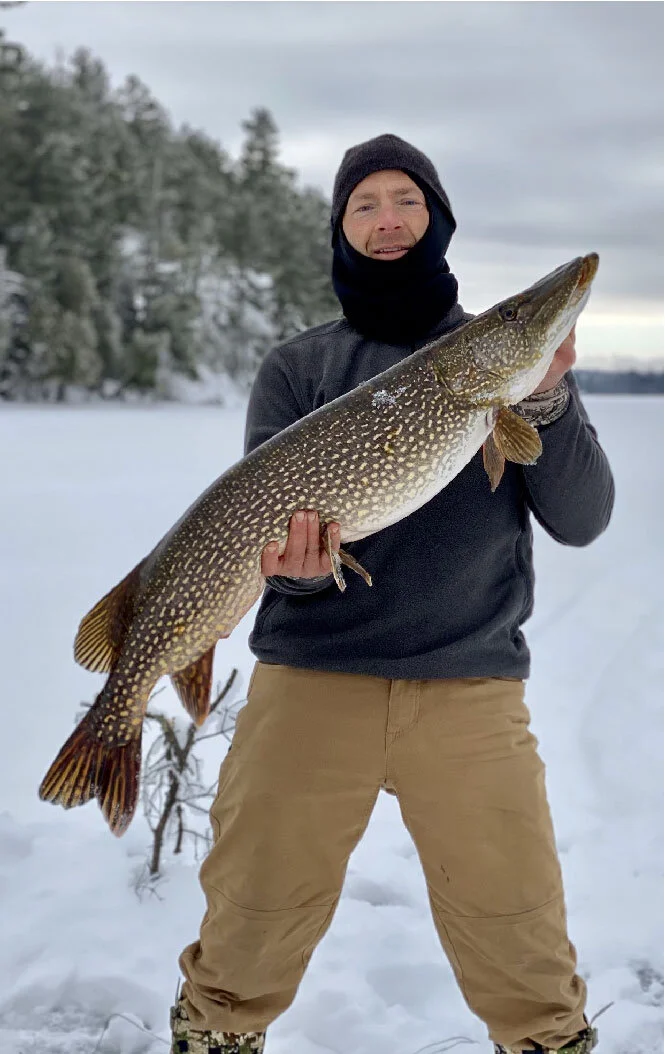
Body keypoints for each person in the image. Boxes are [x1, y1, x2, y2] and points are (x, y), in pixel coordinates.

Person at [170, 134, 614, 1054]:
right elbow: (255, 523)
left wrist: (544, 400)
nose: (386, 219)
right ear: (340, 227)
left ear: (436, 220)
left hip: (469, 685)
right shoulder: (300, 369)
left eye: (404, 200)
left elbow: (582, 518)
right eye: (362, 203)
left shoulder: (497, 369)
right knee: (248, 919)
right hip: (311, 678)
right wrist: (289, 567)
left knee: (518, 931)